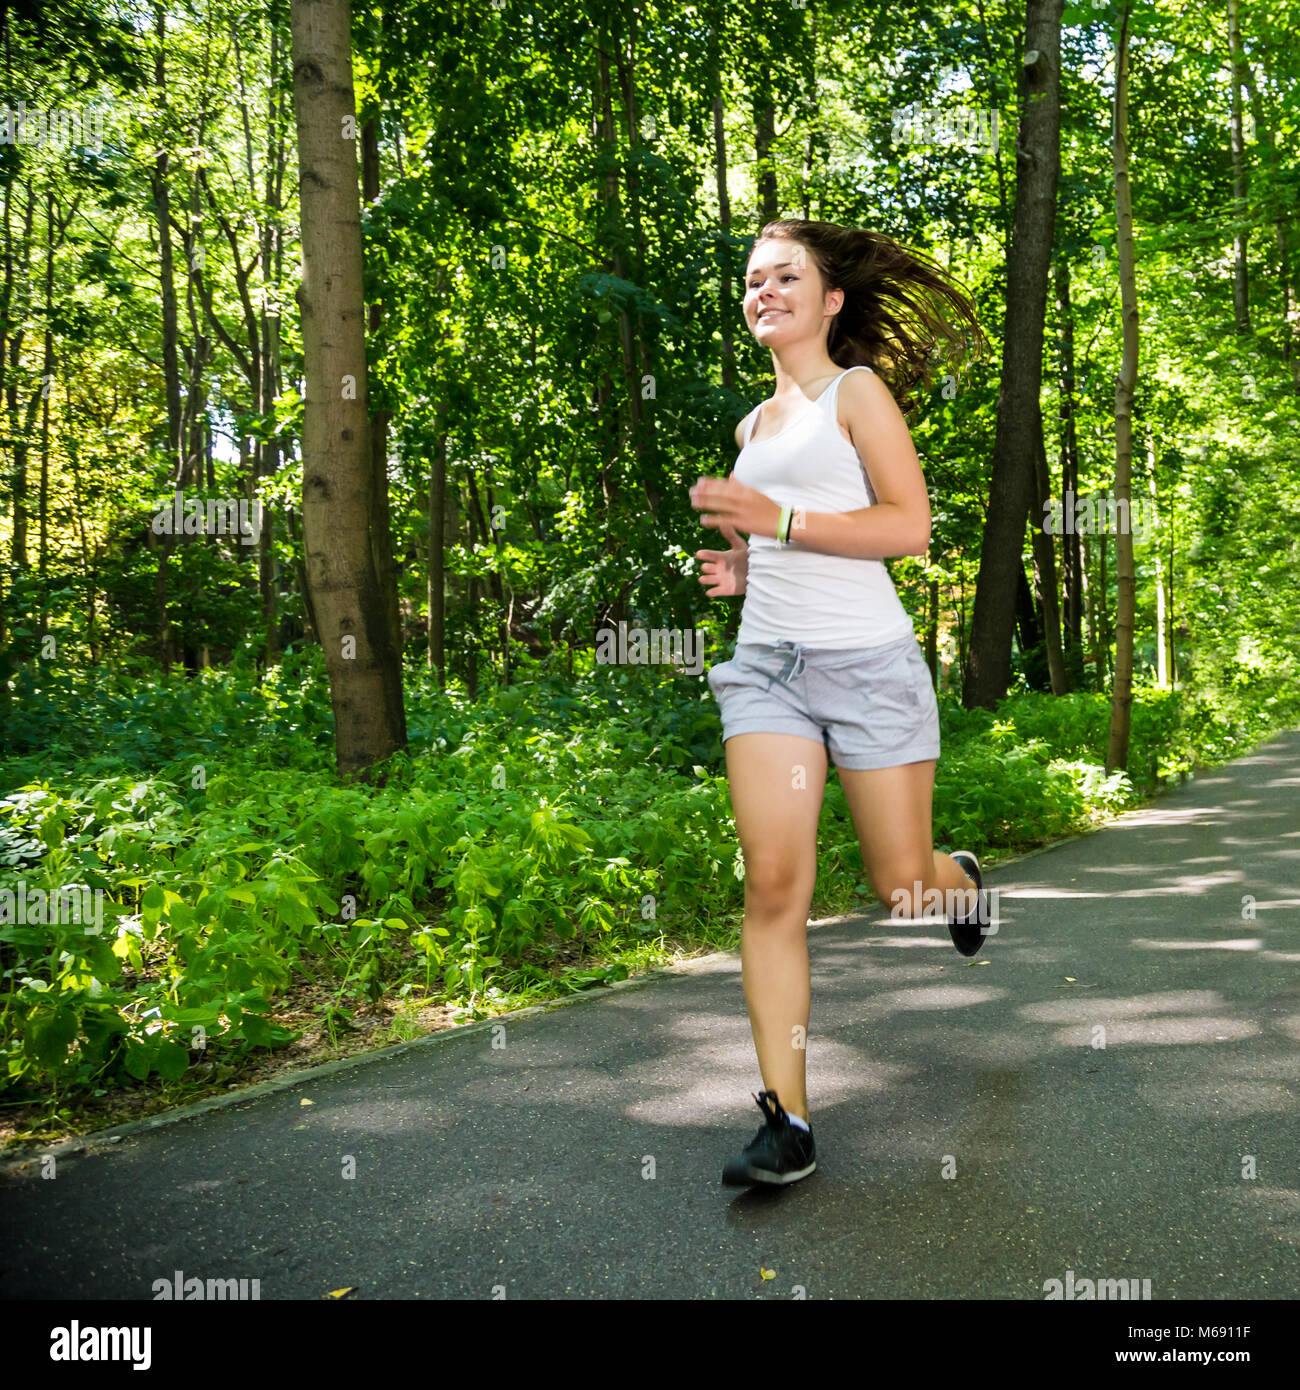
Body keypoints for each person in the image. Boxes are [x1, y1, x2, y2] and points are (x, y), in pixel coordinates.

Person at [690, 218, 992, 1188]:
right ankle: (788, 1122)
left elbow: (907, 526)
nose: (764, 289)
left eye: (786, 275)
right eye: (752, 279)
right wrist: (743, 568)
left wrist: (774, 519)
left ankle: (961, 886)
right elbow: (783, 539)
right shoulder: (751, 427)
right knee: (775, 886)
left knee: (897, 877)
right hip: (769, 672)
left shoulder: (855, 394)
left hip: (867, 665)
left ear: (830, 301)